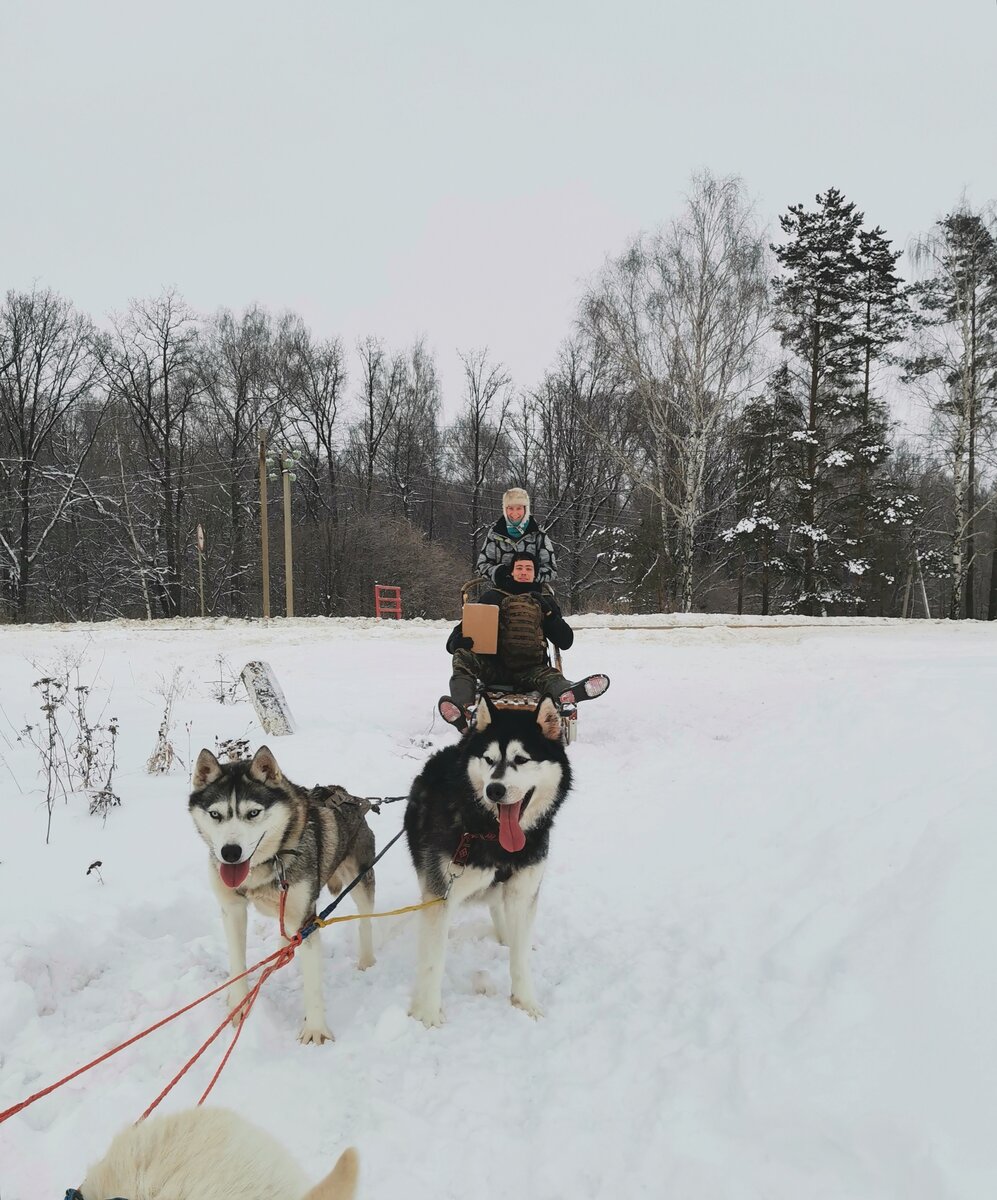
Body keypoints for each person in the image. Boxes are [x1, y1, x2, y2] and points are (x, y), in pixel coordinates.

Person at [438, 552, 609, 733]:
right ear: (511, 571)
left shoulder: (544, 600)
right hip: (494, 668)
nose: (523, 572)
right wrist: (456, 642)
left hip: (532, 670)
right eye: (519, 568)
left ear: (535, 573)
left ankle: (566, 694)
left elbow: (565, 641)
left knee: (551, 677)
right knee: (462, 656)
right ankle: (463, 707)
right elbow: (458, 634)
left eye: (529, 568)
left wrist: (550, 614)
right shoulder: (492, 598)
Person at [476, 487, 558, 584]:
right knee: (484, 599)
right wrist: (502, 574)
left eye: (519, 508)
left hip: (532, 590)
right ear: (505, 509)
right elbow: (482, 565)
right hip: (502, 589)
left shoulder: (538, 533)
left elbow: (551, 569)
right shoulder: (495, 533)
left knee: (549, 600)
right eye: (510, 508)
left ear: (525, 509)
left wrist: (530, 576)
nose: (514, 513)